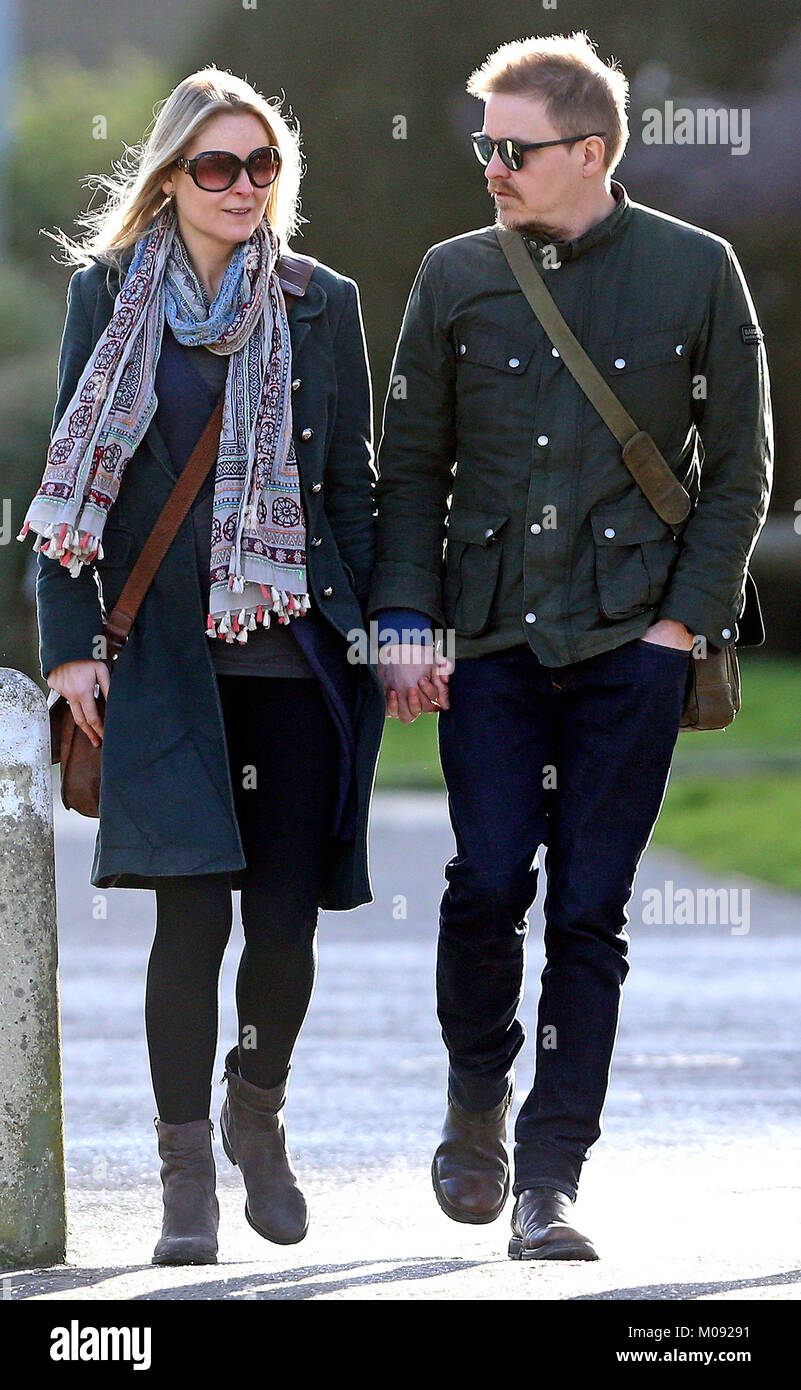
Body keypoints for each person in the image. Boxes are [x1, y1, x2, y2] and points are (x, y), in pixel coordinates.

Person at [369, 33, 772, 1260]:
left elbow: (743, 470)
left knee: (590, 912)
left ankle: (551, 1178)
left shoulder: (699, 271)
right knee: (489, 883)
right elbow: (413, 471)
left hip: (629, 646)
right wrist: (403, 621)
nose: (489, 164)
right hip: (489, 639)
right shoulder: (453, 277)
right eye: (482, 143)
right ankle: (476, 1098)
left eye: (513, 146)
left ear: (589, 151)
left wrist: (675, 629)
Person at [20, 66, 384, 1265]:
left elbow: (354, 491)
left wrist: (391, 628)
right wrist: (69, 648)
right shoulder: (107, 294)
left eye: (261, 166)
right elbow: (73, 471)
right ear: (172, 176)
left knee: (283, 925)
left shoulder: (322, 302)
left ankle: (256, 1110)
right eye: (217, 166)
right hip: (165, 661)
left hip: (294, 654)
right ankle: (186, 1179)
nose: (241, 187)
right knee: (192, 923)